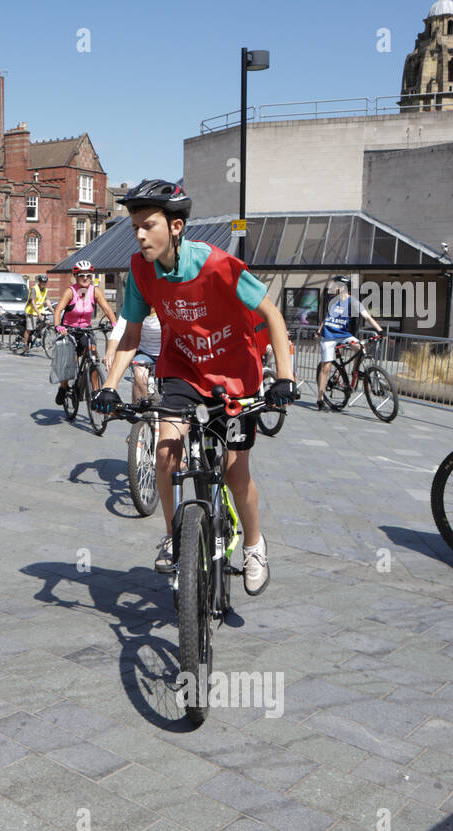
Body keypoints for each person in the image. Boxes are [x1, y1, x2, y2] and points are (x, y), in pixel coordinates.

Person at [92, 178, 295, 596]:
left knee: (236, 474)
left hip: (235, 373)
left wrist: (286, 377)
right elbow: (130, 333)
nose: (140, 235)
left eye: (148, 225)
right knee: (166, 451)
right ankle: (173, 535)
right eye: (135, 227)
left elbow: (272, 314)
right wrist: (111, 384)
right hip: (183, 367)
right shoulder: (140, 270)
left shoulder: (217, 264)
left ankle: (255, 547)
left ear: (176, 227)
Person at [53, 261, 118, 404]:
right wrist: (58, 326)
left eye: (89, 275)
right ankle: (63, 387)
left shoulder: (95, 291)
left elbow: (107, 309)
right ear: (75, 276)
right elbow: (58, 310)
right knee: (71, 360)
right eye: (82, 275)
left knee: (93, 355)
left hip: (86, 329)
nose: (85, 278)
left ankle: (94, 392)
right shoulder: (70, 291)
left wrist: (114, 323)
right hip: (69, 330)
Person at [316, 275, 384, 411]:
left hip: (343, 334)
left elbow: (367, 316)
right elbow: (326, 318)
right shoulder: (332, 300)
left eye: (336, 285)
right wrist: (319, 331)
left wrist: (380, 330)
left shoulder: (353, 302)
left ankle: (355, 372)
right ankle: (320, 397)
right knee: (326, 367)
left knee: (359, 347)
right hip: (328, 336)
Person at [109, 307, 161, 402]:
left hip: (167, 353)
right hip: (144, 352)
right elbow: (120, 329)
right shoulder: (136, 304)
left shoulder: (166, 304)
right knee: (140, 375)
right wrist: (110, 352)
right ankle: (145, 411)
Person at [23, 274, 50, 354]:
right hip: (31, 311)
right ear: (39, 282)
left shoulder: (45, 290)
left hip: (40, 310)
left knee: (47, 322)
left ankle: (36, 334)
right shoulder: (34, 289)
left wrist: (53, 310)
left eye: (45, 282)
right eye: (42, 282)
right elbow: (33, 302)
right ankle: (25, 344)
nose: (44, 283)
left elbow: (48, 301)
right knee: (29, 328)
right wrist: (38, 313)